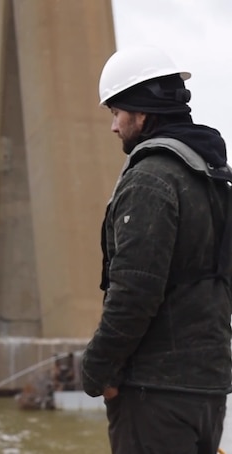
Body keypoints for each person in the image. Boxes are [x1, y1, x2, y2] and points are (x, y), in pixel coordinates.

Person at [82, 46, 232, 454]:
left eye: (117, 113)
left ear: (142, 114)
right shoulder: (213, 178)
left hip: (156, 393)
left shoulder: (151, 178)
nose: (114, 126)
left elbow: (134, 292)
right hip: (207, 389)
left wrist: (95, 370)